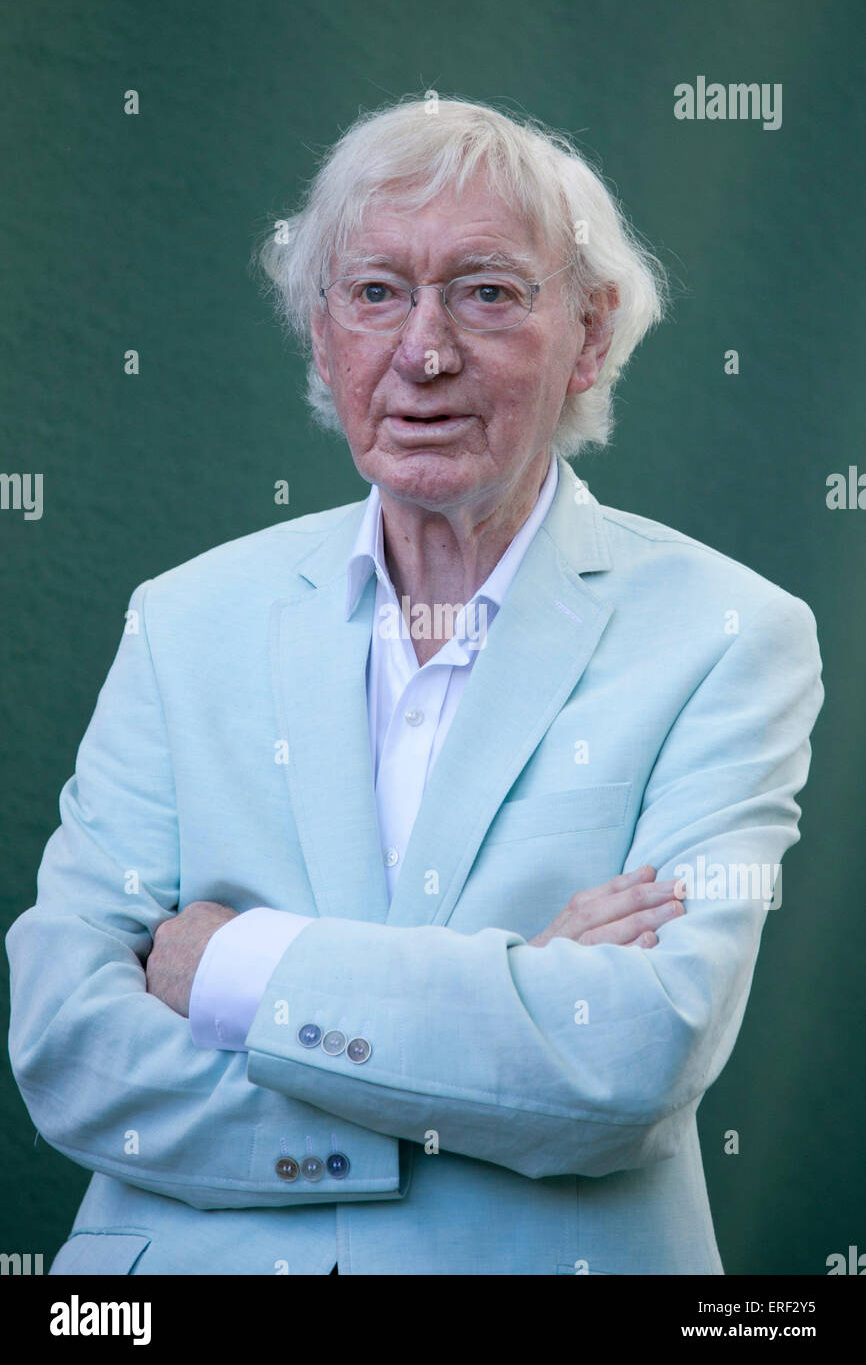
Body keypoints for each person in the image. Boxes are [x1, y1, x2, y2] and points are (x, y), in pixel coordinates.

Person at [6, 97, 823, 1275]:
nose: (423, 350)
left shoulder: (724, 632)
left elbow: (626, 1062)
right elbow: (70, 1045)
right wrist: (490, 1048)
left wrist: (230, 968)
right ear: (323, 333)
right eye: (375, 293)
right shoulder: (185, 619)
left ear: (589, 335)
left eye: (485, 292)